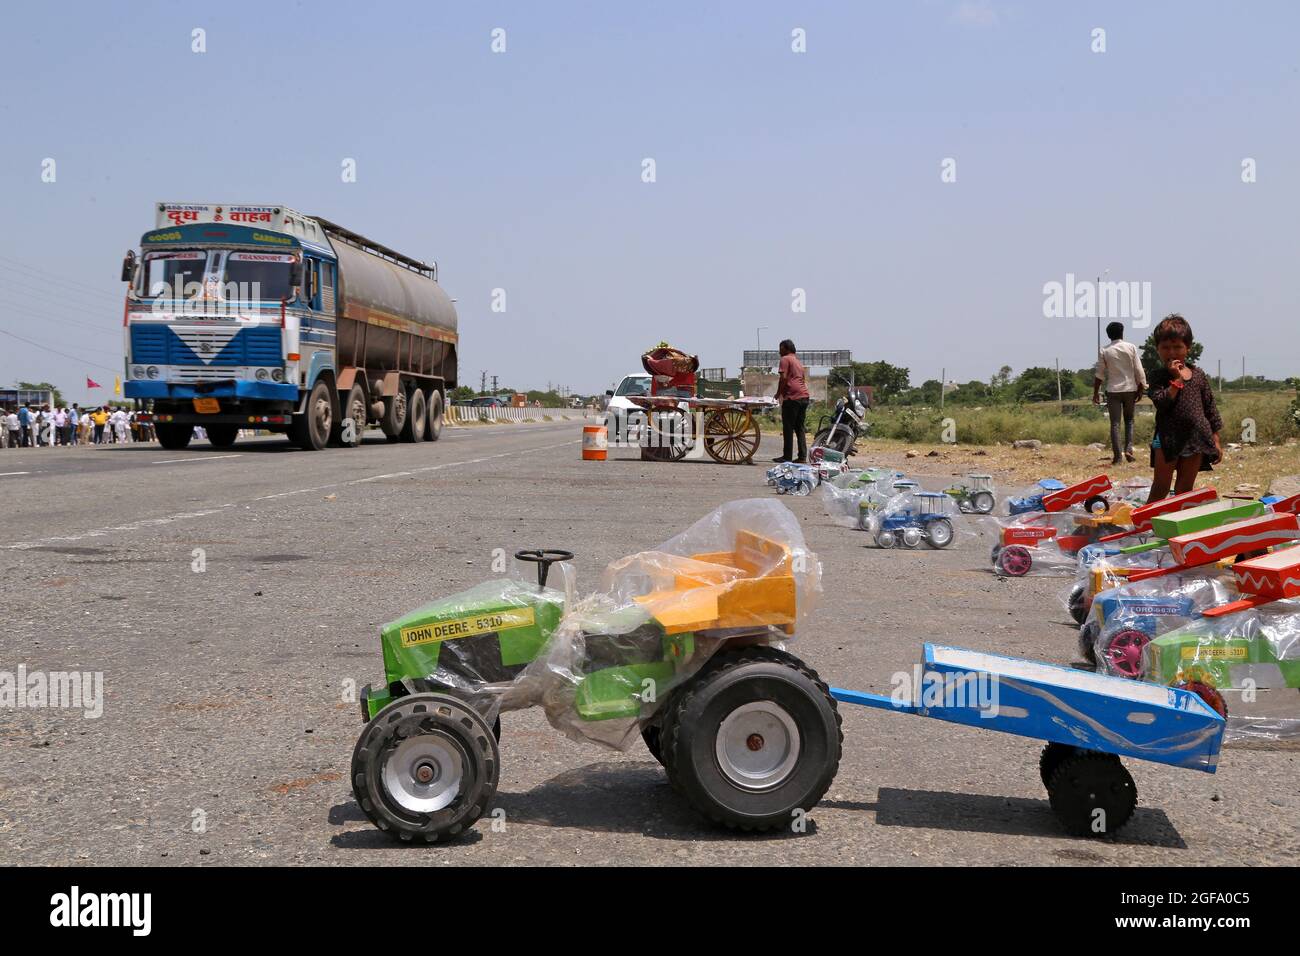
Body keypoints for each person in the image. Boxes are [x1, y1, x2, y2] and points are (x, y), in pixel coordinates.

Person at [1146, 314, 1222, 502]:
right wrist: (1176, 380)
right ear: (1158, 350)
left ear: (1188, 348)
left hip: (1196, 438)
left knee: (1184, 490)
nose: (1171, 352)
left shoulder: (1198, 375)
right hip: (1167, 440)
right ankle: (1144, 526)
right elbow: (1161, 402)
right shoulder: (1158, 376)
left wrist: (1216, 440)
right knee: (1160, 487)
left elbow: (1209, 407)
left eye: (1177, 347)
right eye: (1165, 347)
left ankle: (1178, 527)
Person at [1092, 321, 1146, 465]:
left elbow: (1099, 374)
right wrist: (1141, 387)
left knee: (1115, 423)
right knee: (1129, 421)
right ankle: (1129, 449)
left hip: (1113, 390)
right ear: (1122, 333)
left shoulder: (1104, 350)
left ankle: (1117, 457)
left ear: (1108, 335)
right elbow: (1139, 370)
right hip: (1130, 389)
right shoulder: (1131, 347)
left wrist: (1096, 392)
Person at [773, 339, 810, 463]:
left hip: (792, 397)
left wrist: (778, 394)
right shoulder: (798, 362)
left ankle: (787, 456)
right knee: (799, 427)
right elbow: (802, 380)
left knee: (788, 427)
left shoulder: (785, 359)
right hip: (804, 396)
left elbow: (783, 378)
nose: (779, 351)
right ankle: (802, 457)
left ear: (786, 348)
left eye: (781, 348)